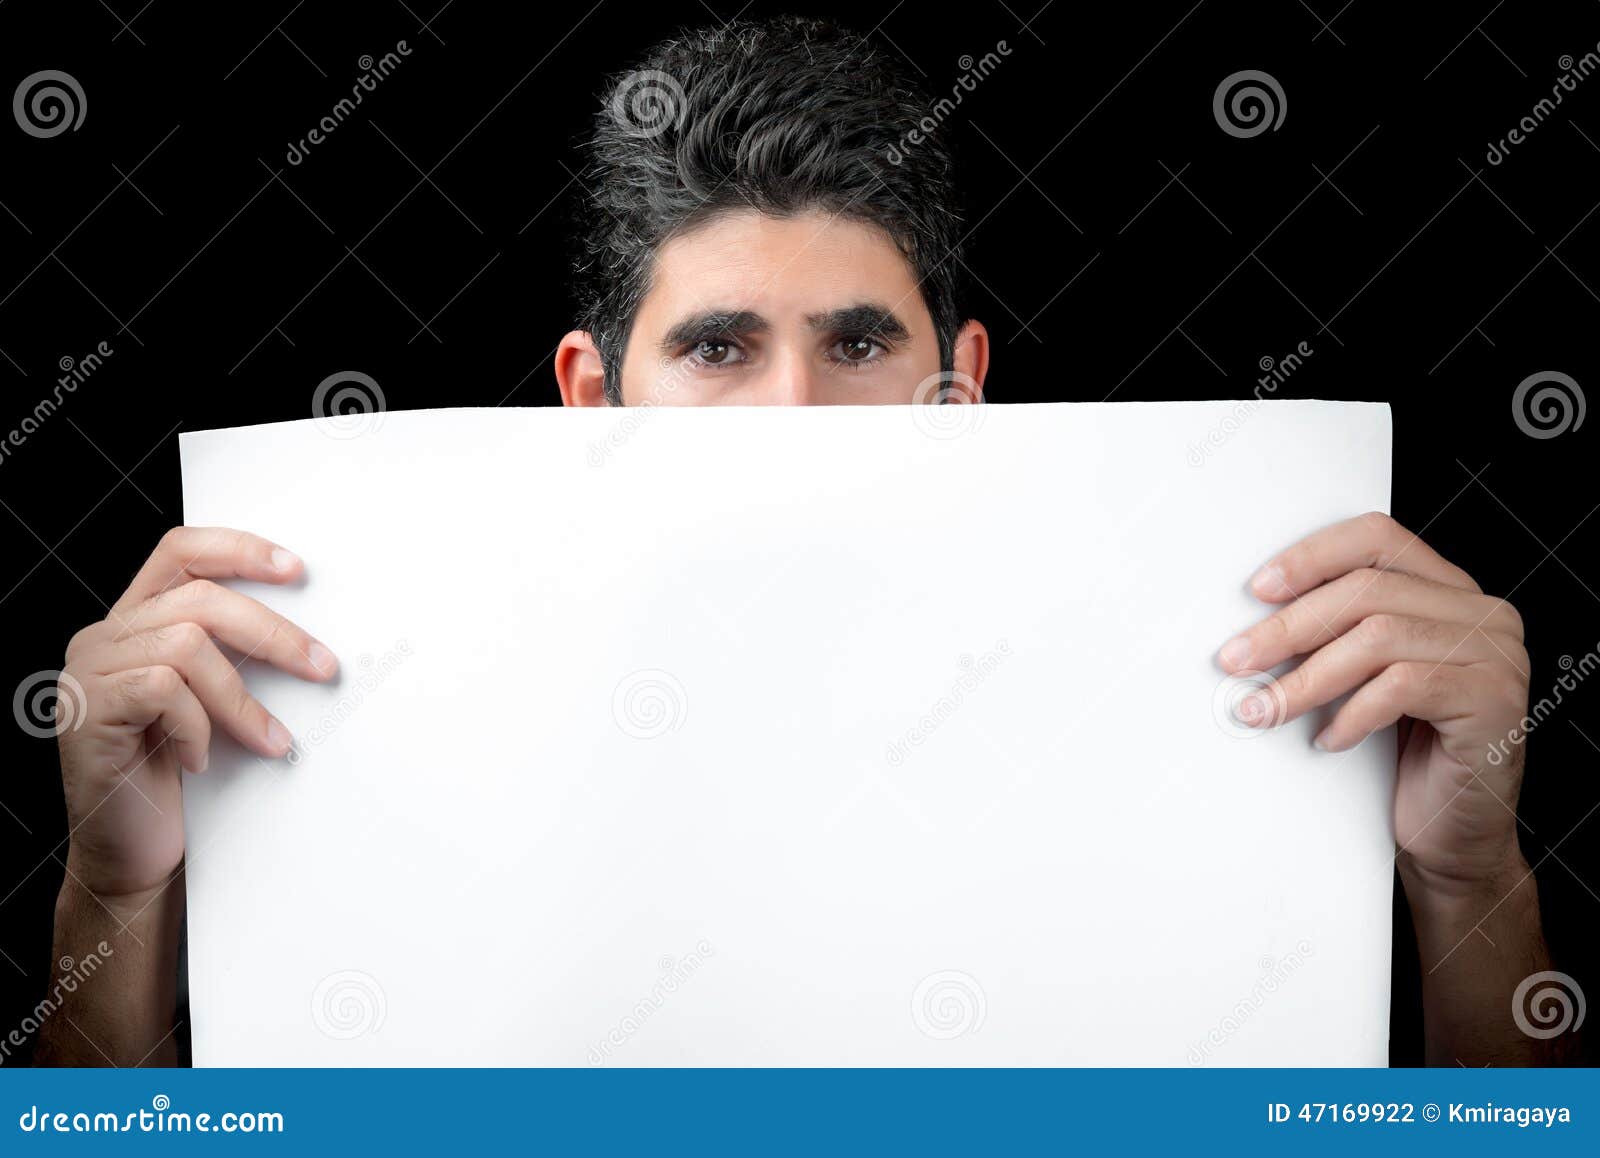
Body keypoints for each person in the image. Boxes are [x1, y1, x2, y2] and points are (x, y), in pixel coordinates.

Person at [36, 16, 1563, 1067]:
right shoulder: (383, 712)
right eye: (715, 346)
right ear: (591, 393)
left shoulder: (1185, 686)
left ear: (963, 382)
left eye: (854, 343)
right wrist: (115, 904)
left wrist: (1466, 871)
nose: (793, 412)